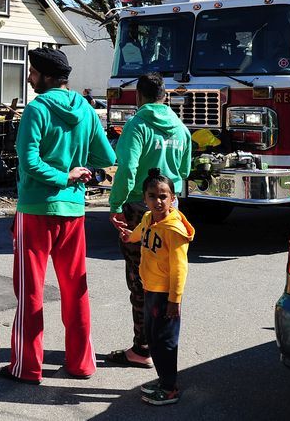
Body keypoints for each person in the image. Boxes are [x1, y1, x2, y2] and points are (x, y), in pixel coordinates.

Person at [0, 47, 116, 385]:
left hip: (36, 209)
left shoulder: (36, 110)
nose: (30, 78)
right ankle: (80, 363)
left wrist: (62, 175)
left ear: (47, 76)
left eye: (33, 72)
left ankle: (26, 367)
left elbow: (29, 163)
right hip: (73, 212)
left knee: (30, 291)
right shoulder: (87, 109)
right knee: (75, 289)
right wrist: (79, 172)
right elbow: (105, 154)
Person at [106, 72, 191, 369]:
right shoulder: (181, 128)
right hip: (171, 207)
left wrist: (115, 204)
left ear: (138, 96)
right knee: (166, 275)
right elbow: (183, 169)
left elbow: (127, 169)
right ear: (165, 96)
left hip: (139, 207)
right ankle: (162, 344)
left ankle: (142, 347)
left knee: (139, 277)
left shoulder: (137, 125)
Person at [116, 169, 195, 406]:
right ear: (144, 198)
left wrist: (175, 299)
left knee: (165, 341)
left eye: (164, 196)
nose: (158, 201)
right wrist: (129, 236)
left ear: (173, 198)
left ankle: (169, 388)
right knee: (153, 337)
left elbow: (180, 268)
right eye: (153, 196)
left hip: (165, 295)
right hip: (150, 289)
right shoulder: (149, 219)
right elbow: (141, 233)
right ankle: (163, 381)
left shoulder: (174, 230)